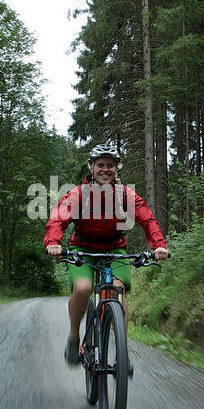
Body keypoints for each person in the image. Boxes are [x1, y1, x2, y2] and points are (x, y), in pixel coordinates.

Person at [43, 143, 169, 377]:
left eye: (110, 165)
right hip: (83, 248)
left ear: (116, 169)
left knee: (116, 291)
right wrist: (53, 242)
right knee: (82, 288)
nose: (105, 169)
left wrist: (158, 245)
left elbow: (147, 218)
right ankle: (73, 336)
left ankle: (122, 353)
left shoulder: (125, 195)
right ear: (91, 167)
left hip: (114, 250)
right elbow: (58, 218)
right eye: (100, 165)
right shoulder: (79, 193)